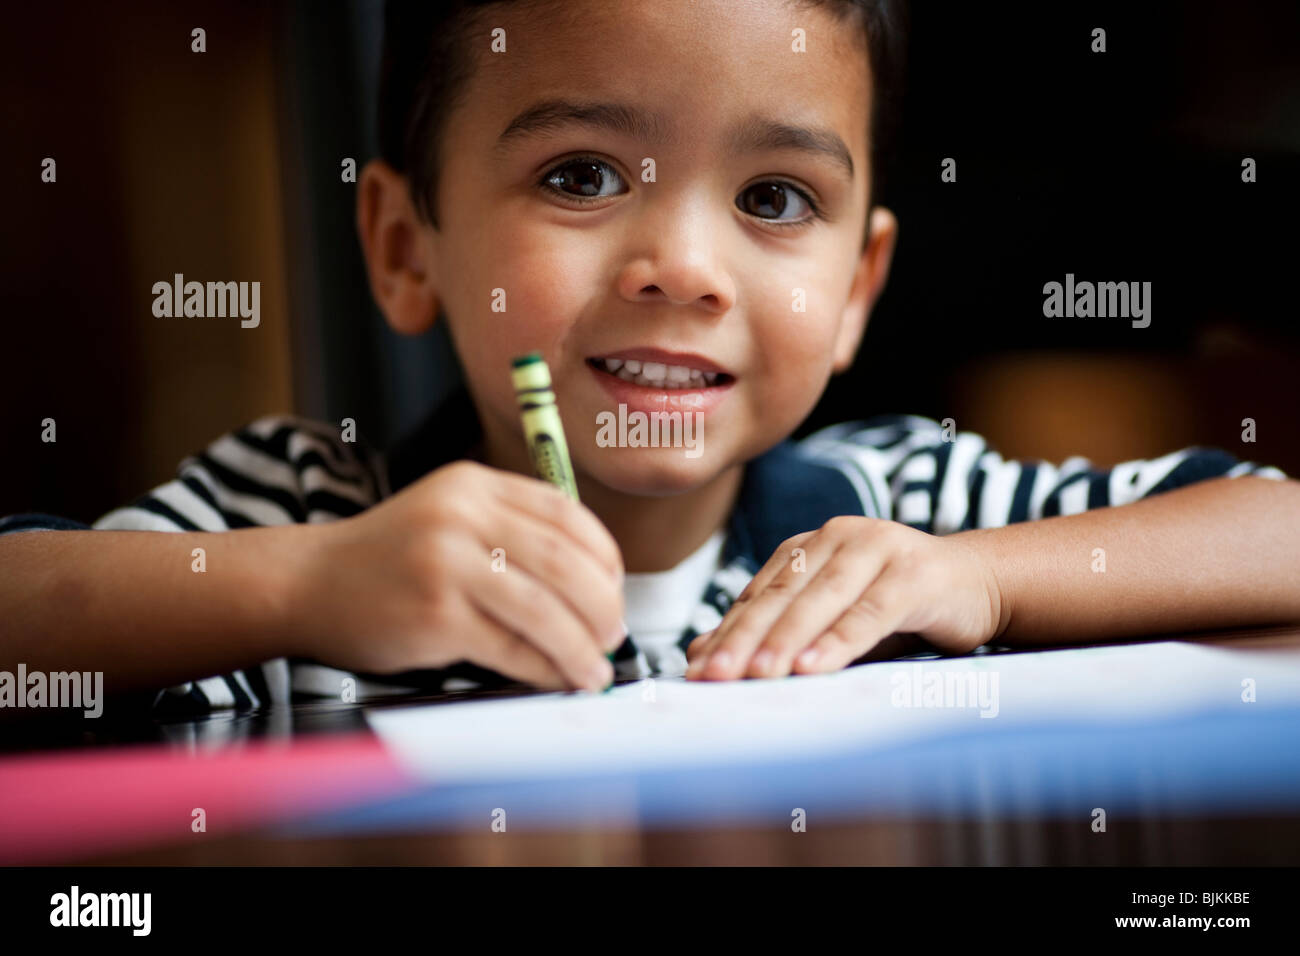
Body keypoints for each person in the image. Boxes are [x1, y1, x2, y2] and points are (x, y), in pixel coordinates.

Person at [3, 0, 1297, 720]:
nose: (682, 266)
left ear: (856, 290)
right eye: (580, 175)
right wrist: (302, 589)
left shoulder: (899, 513)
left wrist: (983, 583)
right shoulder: (310, 514)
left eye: (777, 199)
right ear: (406, 246)